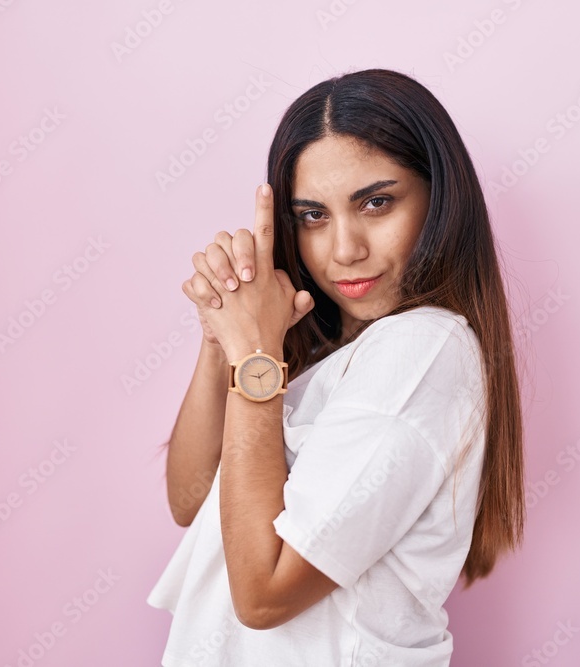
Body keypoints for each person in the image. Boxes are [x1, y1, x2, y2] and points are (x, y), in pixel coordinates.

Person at [147, 68, 525, 666]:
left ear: (440, 196)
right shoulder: (325, 355)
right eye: (312, 216)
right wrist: (224, 333)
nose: (345, 249)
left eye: (377, 202)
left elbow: (264, 596)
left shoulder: (422, 348)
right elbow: (192, 502)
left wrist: (255, 357)